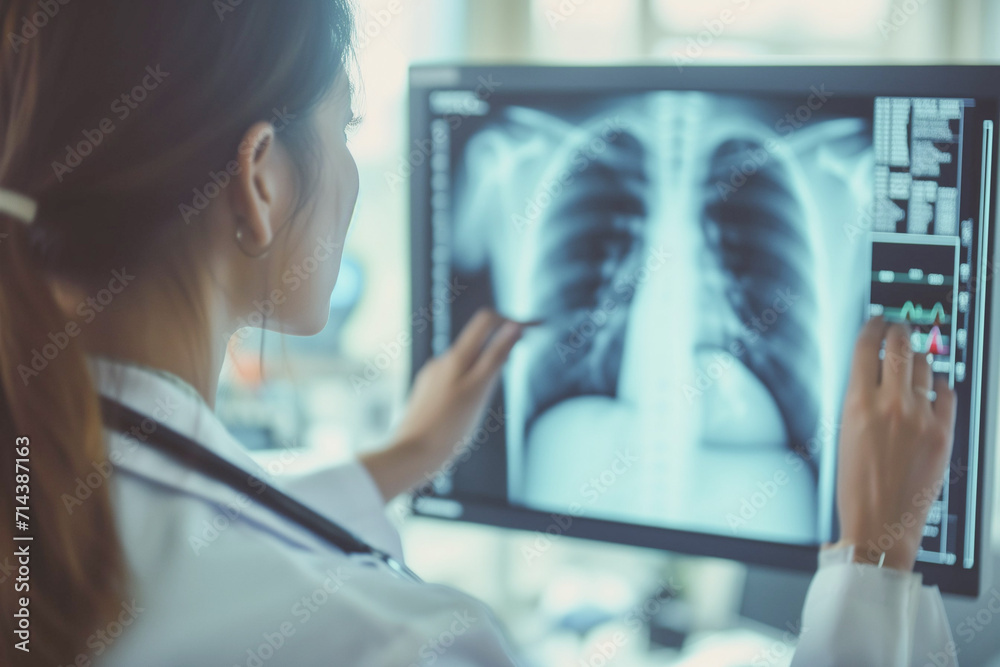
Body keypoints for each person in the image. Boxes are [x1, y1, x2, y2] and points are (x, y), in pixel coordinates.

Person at [0, 1, 958, 665]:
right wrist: (875, 555)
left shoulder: (35, 484)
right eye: (346, 127)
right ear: (259, 179)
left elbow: (176, 524)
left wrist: (397, 460)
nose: (353, 167)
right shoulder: (395, 640)